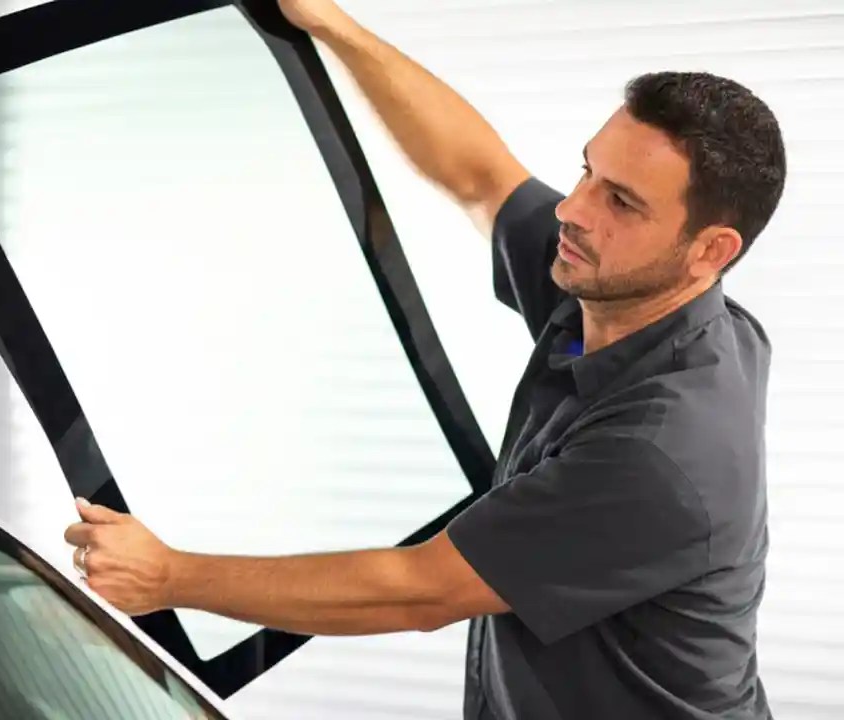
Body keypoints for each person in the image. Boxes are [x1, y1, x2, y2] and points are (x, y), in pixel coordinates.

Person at [64, 0, 787, 717]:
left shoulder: (663, 455)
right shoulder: (619, 293)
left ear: (712, 252)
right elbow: (479, 174)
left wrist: (168, 576)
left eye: (622, 202)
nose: (574, 210)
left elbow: (419, 589)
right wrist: (330, 24)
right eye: (587, 171)